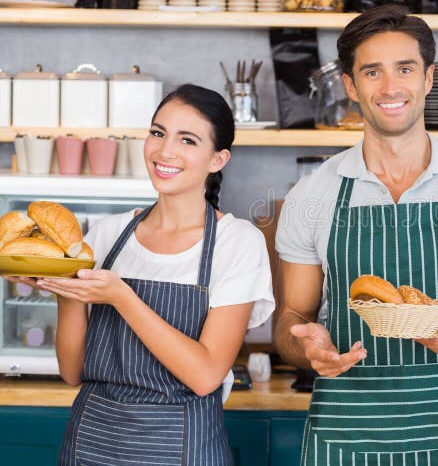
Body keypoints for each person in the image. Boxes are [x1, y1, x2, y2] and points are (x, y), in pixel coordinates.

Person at [275, 4, 438, 465]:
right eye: (372, 72)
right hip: (349, 433)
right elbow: (291, 317)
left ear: (428, 78)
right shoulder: (312, 195)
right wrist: (306, 347)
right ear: (350, 85)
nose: (390, 88)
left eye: (405, 69)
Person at [6, 84, 274, 464]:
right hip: (90, 445)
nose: (165, 151)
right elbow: (71, 371)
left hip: (182, 449)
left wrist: (121, 297)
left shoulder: (237, 242)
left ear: (218, 159)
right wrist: (64, 292)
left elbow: (205, 375)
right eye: (158, 133)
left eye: (188, 141)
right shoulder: (107, 234)